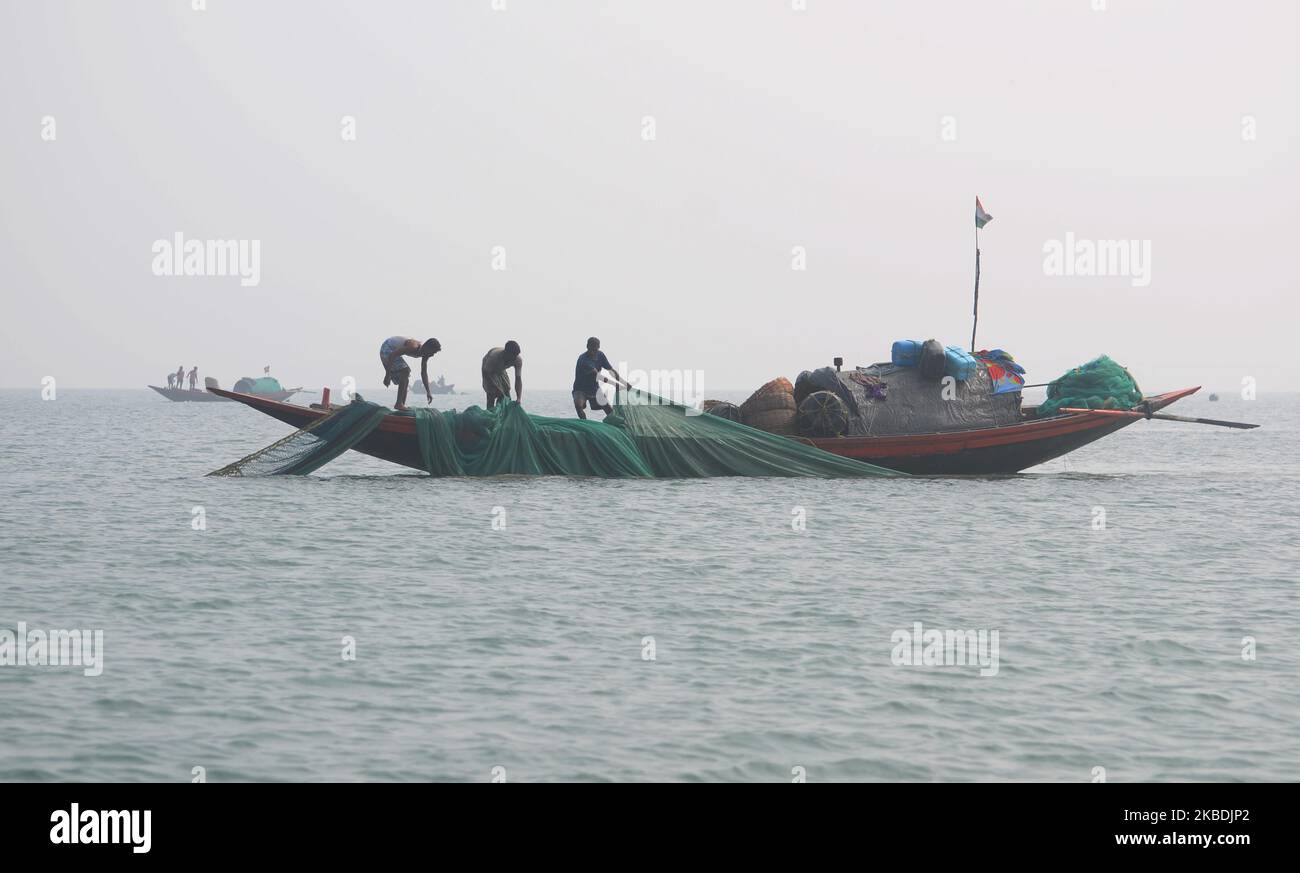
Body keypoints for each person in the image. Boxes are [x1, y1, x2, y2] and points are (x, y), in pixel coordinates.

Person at [379, 336, 441, 410]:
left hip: (392, 352)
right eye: (433, 352)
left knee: (406, 378)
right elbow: (392, 355)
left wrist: (428, 392)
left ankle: (401, 405)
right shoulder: (413, 347)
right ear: (427, 348)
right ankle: (398, 404)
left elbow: (424, 373)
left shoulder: (425, 355)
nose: (433, 355)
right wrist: (387, 375)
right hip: (387, 348)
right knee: (405, 371)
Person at [572, 337, 629, 419]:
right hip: (580, 389)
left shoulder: (600, 355)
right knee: (579, 406)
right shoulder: (583, 359)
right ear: (587, 346)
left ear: (598, 347)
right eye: (591, 349)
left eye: (595, 349)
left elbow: (611, 371)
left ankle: (615, 423)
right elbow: (598, 376)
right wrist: (614, 384)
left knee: (608, 409)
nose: (593, 352)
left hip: (594, 388)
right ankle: (585, 423)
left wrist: (625, 384)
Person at [481, 341, 522, 409]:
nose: (514, 358)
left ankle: (503, 411)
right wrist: (497, 389)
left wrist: (518, 398)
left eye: (516, 356)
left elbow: (518, 379)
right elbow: (486, 374)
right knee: (492, 393)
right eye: (512, 356)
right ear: (506, 353)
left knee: (506, 392)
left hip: (501, 369)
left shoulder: (518, 360)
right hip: (488, 369)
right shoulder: (494, 357)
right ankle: (490, 411)